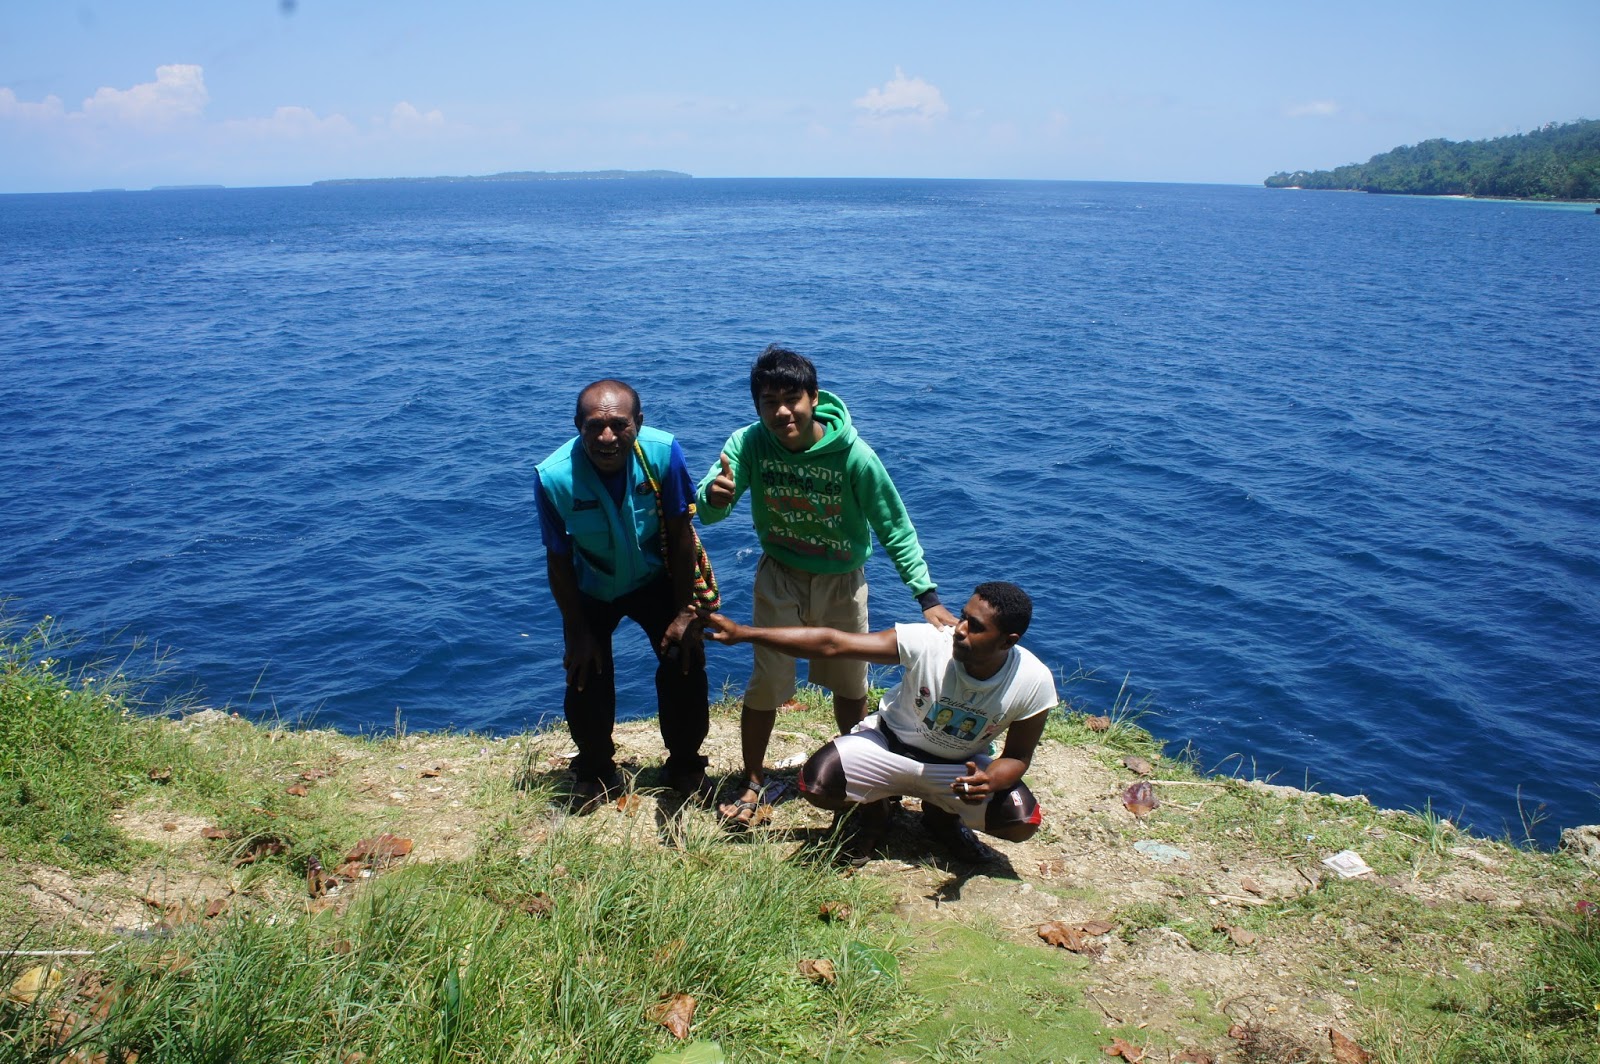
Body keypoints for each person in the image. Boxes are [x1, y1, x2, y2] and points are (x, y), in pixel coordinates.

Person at [696, 345, 959, 827]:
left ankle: (863, 777)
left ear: (813, 398)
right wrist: (713, 497)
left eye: (791, 397)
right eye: (767, 401)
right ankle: (753, 779)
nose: (780, 410)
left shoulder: (854, 456)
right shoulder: (749, 444)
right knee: (767, 683)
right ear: (756, 407)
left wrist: (927, 597)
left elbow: (893, 525)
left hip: (842, 581)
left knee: (848, 684)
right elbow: (712, 506)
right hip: (780, 576)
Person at [704, 581, 1057, 863]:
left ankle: (941, 820)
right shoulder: (930, 642)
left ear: (1008, 641)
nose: (959, 629)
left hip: (957, 771)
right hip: (889, 747)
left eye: (975, 627)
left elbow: (1018, 757)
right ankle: (875, 815)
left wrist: (989, 779)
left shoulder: (1032, 680)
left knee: (1020, 821)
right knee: (817, 783)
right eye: (963, 616)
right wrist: (745, 633)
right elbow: (833, 644)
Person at [534, 379, 710, 809]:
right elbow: (558, 561)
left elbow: (680, 533)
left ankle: (685, 764)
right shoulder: (553, 477)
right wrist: (576, 630)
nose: (607, 437)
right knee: (585, 673)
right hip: (593, 586)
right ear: (578, 426)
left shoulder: (664, 453)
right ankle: (596, 769)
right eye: (594, 427)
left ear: (639, 424)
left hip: (655, 581)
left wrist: (684, 611)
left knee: (683, 660)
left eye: (619, 425)